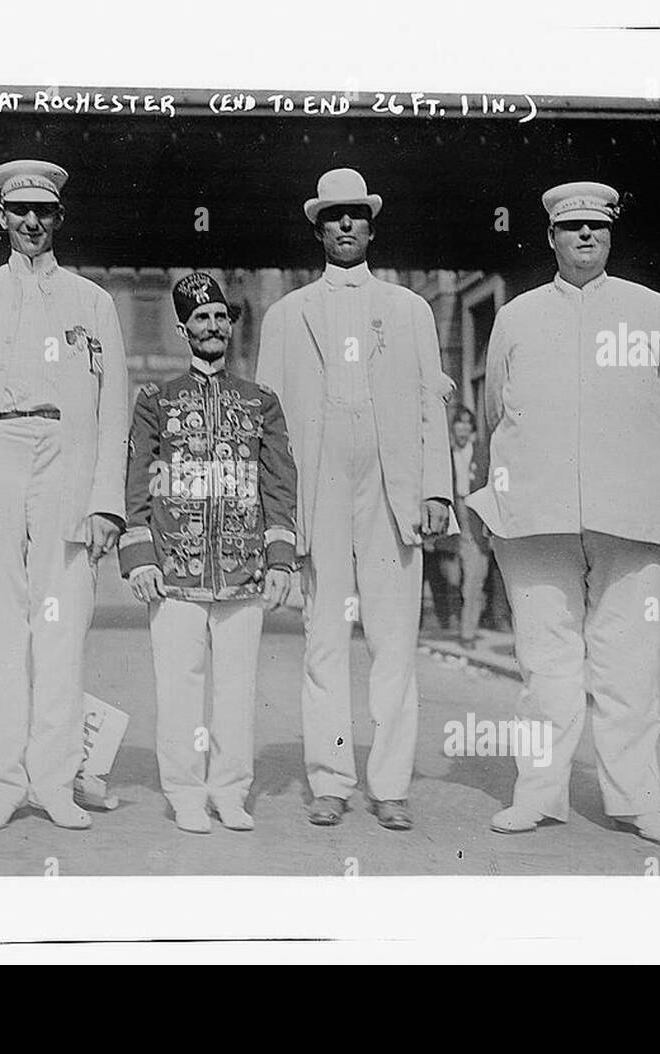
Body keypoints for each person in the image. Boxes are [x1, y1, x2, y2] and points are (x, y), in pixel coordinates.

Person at [466, 181, 660, 847]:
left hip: (634, 509)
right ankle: (538, 795)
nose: (586, 236)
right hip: (536, 514)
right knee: (546, 666)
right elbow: (496, 415)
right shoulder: (517, 317)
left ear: (611, 235)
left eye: (597, 226)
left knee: (628, 664)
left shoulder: (650, 309)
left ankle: (636, 802)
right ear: (551, 238)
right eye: (573, 229)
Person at [0, 159, 129, 834]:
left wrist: (106, 501)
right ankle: (0, 785)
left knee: (61, 625)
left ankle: (53, 783)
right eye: (20, 211)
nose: (31, 223)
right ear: (1, 218)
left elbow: (114, 411)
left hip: (67, 457)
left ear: (59, 219)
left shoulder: (93, 302)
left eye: (43, 212)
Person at [256, 168, 452, 831]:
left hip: (389, 491)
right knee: (324, 642)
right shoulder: (288, 316)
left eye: (355, 216)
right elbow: (268, 424)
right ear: (318, 228)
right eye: (333, 217)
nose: (345, 226)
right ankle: (332, 780)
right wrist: (277, 517)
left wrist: (434, 491)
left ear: (370, 226)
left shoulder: (408, 310)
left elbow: (431, 403)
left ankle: (390, 784)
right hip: (319, 491)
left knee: (394, 642)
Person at [120, 273, 297, 833]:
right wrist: (140, 553)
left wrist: (281, 557)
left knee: (238, 688)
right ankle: (185, 792)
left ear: (230, 325)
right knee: (179, 685)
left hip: (245, 566)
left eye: (221, 317)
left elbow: (277, 480)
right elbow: (137, 478)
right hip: (175, 567)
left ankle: (230, 790)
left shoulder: (260, 401)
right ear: (183, 329)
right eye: (201, 319)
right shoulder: (156, 400)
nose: (213, 326)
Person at [426, 405, 491, 646]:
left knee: (474, 580)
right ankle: (457, 621)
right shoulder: (445, 455)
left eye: (467, 423)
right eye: (458, 423)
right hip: (453, 519)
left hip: (474, 519)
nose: (462, 428)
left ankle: (467, 632)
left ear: (472, 429)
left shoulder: (482, 455)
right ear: (453, 428)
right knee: (451, 577)